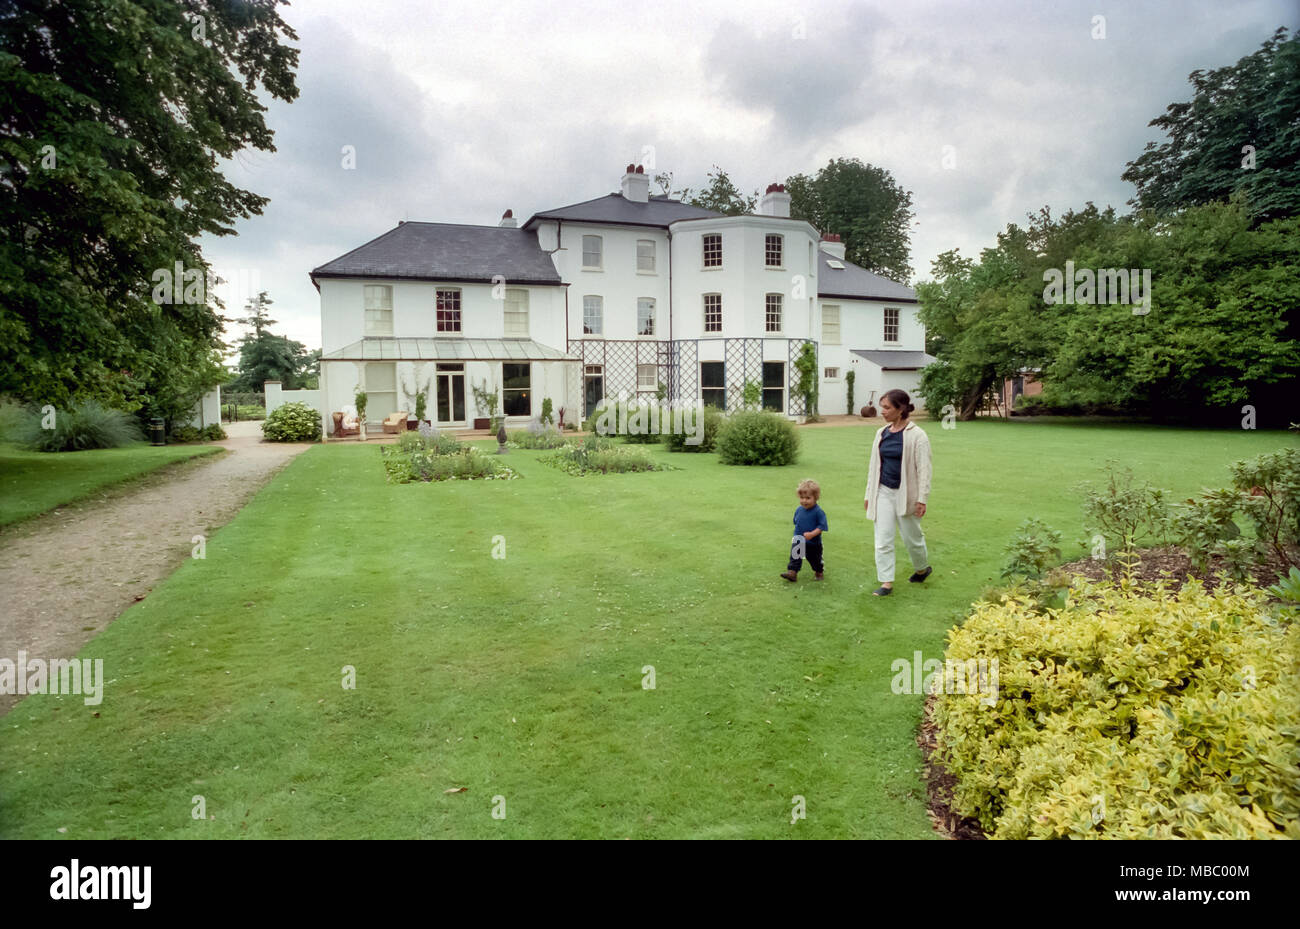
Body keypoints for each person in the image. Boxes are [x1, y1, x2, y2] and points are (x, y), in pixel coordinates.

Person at [863, 389, 933, 596]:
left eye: (887, 407)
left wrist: (922, 499)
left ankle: (922, 568)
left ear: (900, 409)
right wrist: (869, 494)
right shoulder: (881, 433)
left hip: (907, 494)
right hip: (883, 492)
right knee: (883, 539)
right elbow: (873, 467)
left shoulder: (917, 435)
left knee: (912, 538)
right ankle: (886, 583)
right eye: (882, 406)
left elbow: (924, 470)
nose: (882, 411)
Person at [780, 479, 828, 582]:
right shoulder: (799, 510)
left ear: (815, 498)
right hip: (799, 539)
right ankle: (792, 572)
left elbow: (821, 527)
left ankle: (819, 572)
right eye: (802, 498)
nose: (804, 501)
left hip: (813, 542)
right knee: (795, 556)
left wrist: (811, 534)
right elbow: (796, 522)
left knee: (815, 560)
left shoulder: (818, 512)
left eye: (808, 498)